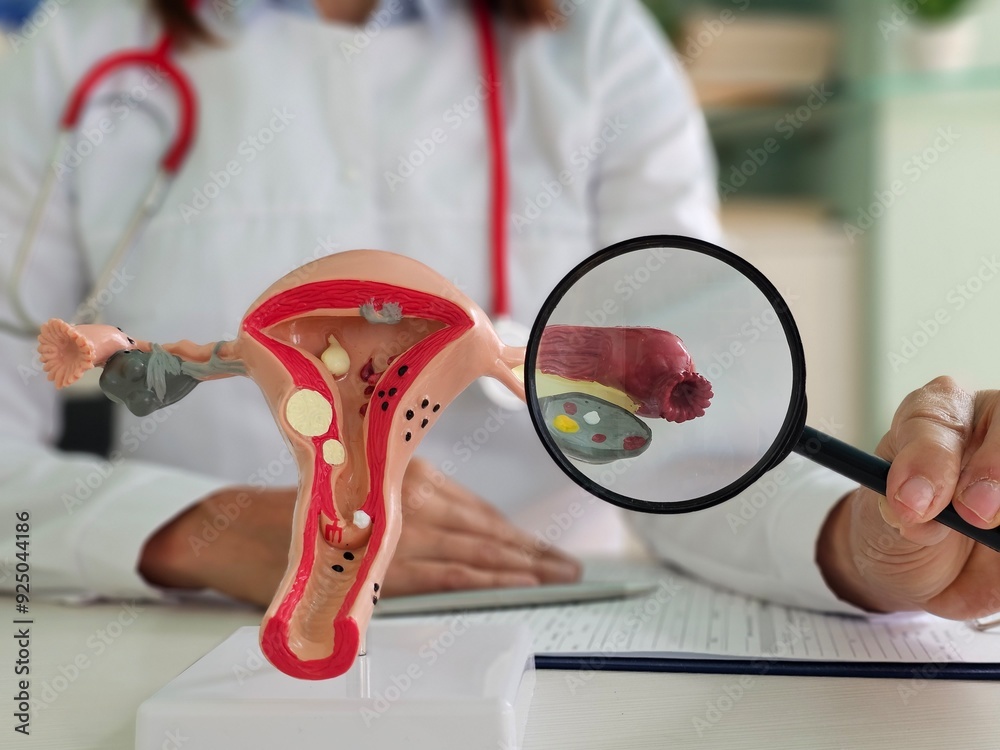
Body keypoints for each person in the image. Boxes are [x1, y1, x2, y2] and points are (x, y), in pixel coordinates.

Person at [1, 0, 998, 624]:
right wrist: (203, 531)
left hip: (560, 628)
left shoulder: (596, 43)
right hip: (191, 639)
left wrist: (868, 545)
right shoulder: (72, 52)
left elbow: (703, 456)